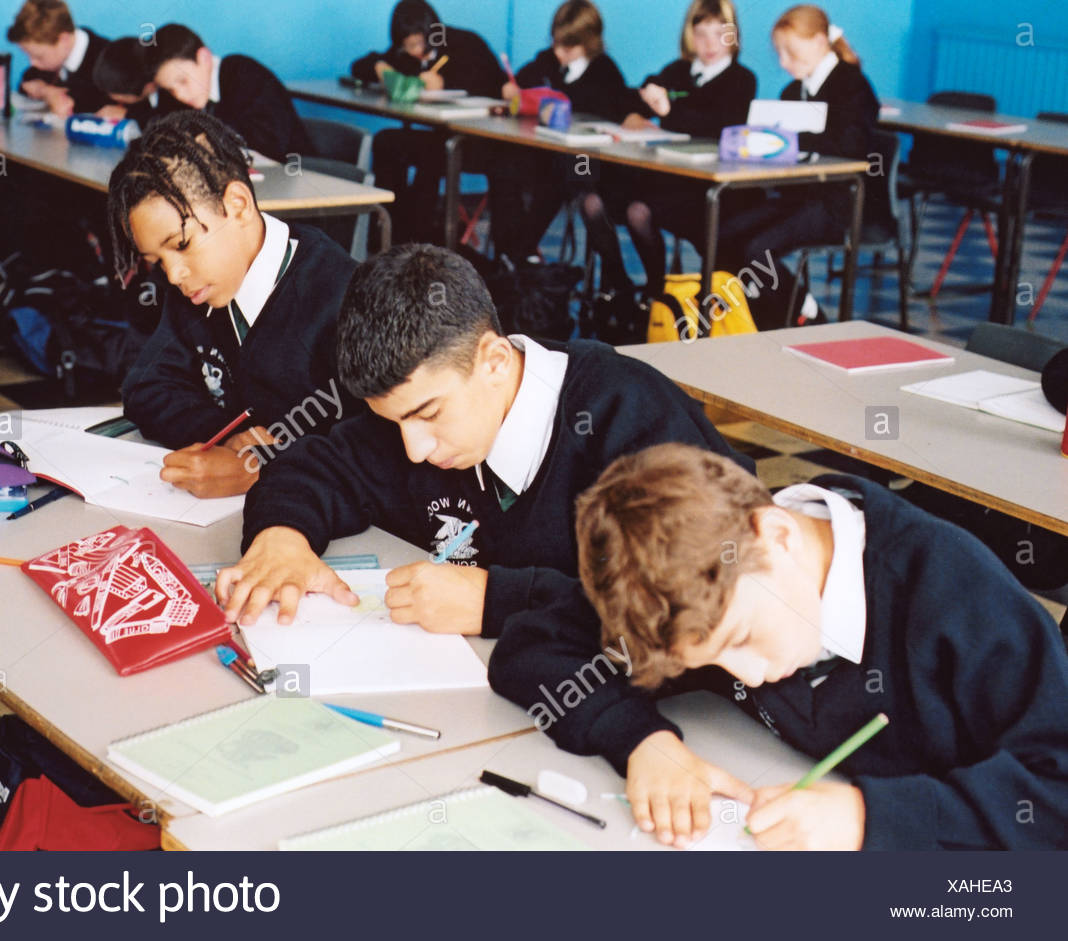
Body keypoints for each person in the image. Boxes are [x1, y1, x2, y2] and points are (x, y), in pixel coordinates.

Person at [216, 244, 752, 639]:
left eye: (428, 414)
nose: (414, 449)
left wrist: (495, 603)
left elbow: (701, 600)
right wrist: (282, 535)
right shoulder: (421, 397)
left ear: (495, 360)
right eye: (396, 421)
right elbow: (318, 467)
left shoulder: (630, 419)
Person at [547, 443, 1068, 849]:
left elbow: (1055, 799)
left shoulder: (957, 597)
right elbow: (542, 640)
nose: (745, 677)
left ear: (776, 534)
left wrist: (870, 818)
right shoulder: (698, 582)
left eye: (741, 640)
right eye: (710, 663)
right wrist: (642, 742)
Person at [109, 110, 361, 498]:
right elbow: (146, 386)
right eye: (158, 261)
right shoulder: (199, 289)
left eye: (181, 245)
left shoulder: (343, 300)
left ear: (239, 205)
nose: (174, 275)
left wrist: (263, 469)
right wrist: (224, 436)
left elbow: (372, 451)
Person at [581, 0, 755, 314]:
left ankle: (656, 291)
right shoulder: (679, 71)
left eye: (719, 34)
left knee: (638, 211)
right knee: (592, 201)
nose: (709, 43)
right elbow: (636, 94)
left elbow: (719, 124)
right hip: (665, 176)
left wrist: (670, 110)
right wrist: (636, 110)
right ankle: (618, 281)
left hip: (703, 185)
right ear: (689, 36)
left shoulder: (742, 79)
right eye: (701, 34)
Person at [715, 4, 878, 328]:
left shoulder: (853, 85)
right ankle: (766, 315)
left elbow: (851, 145)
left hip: (839, 202)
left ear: (820, 41)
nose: (783, 62)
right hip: (799, 195)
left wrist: (789, 139)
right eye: (779, 52)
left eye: (790, 51)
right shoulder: (793, 90)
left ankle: (802, 311)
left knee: (758, 249)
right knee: (723, 234)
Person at [350, 1, 503, 244]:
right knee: (386, 142)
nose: (415, 51)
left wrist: (446, 83)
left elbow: (496, 85)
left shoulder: (466, 44)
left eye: (420, 43)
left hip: (479, 141)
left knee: (431, 155)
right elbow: (360, 65)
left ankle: (417, 236)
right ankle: (387, 231)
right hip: (440, 137)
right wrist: (381, 68)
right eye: (408, 45)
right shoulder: (403, 54)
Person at [491, 0, 629, 263]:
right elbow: (521, 81)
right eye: (555, 43)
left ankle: (522, 248)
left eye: (568, 47)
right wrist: (512, 90)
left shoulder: (605, 71)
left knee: (559, 173)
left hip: (589, 162)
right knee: (504, 164)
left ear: (589, 43)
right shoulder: (547, 60)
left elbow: (611, 114)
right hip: (547, 152)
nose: (558, 52)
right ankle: (510, 248)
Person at [144, 23, 313, 163]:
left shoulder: (245, 74)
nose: (179, 95)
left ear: (204, 58)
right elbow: (161, 132)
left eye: (183, 81)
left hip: (296, 174)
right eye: (170, 89)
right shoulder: (175, 94)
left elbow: (270, 145)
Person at [7, 0, 115, 117]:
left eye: (39, 57)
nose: (33, 63)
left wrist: (56, 97)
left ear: (64, 40)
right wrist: (45, 92)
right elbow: (28, 80)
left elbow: (91, 101)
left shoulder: (110, 61)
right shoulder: (55, 56)